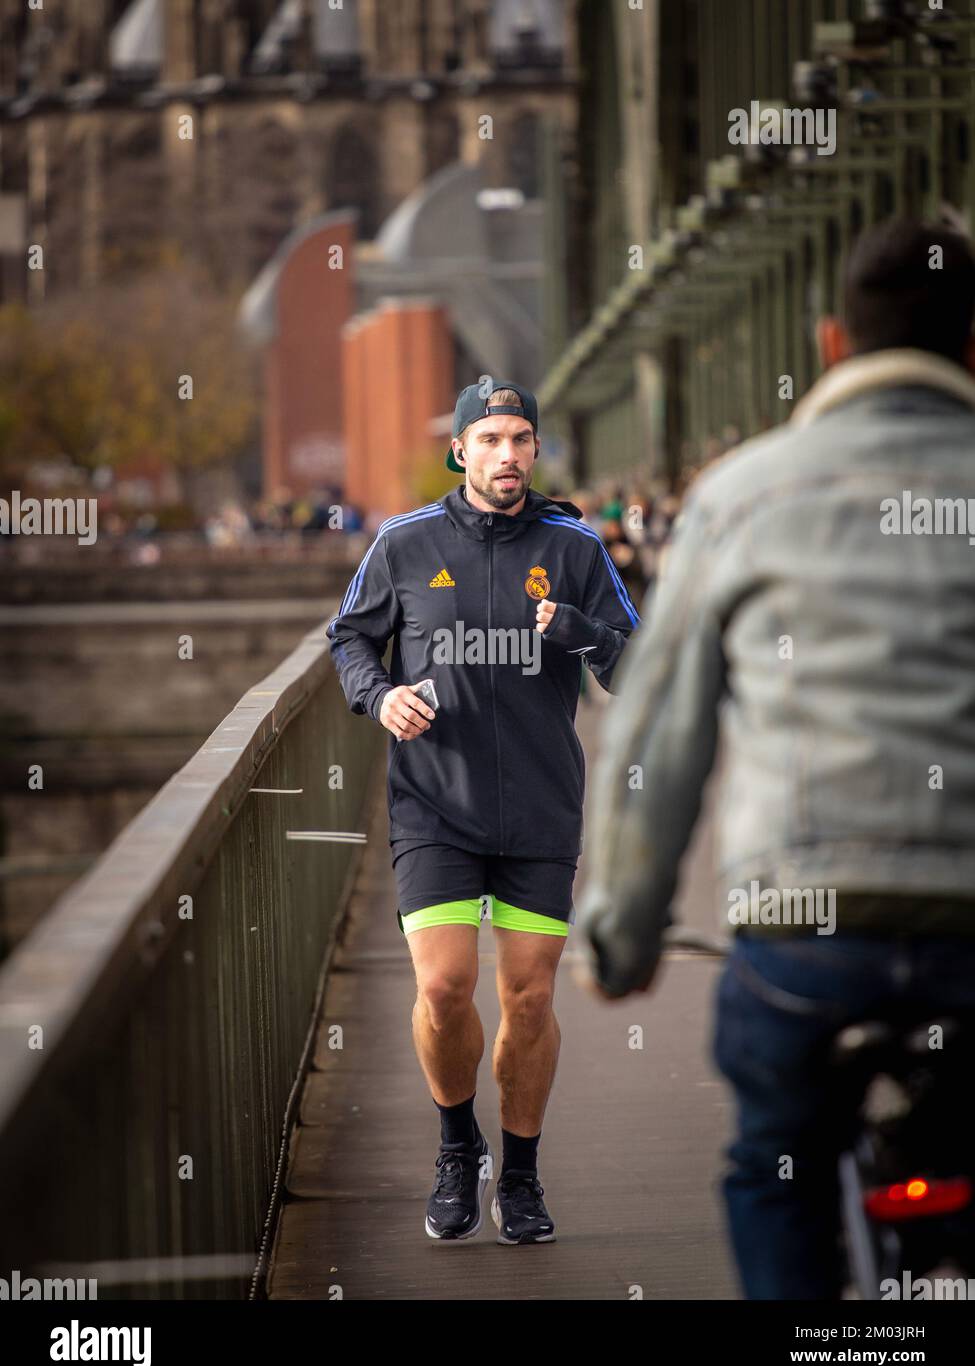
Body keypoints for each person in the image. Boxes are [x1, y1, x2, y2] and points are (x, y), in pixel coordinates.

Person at [574, 217, 975, 1298]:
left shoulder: (741, 497)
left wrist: (624, 932)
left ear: (834, 342)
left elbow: (656, 741)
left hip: (808, 935)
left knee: (775, 1165)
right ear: (974, 348)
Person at [327, 381, 640, 1243]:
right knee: (442, 985)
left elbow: (638, 661)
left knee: (530, 1001)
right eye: (491, 438)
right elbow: (349, 635)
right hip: (434, 802)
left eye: (522, 439)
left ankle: (524, 1177)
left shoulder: (573, 545)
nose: (508, 454)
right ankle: (456, 1144)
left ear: (535, 451)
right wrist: (378, 695)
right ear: (459, 451)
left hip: (541, 807)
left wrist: (583, 632)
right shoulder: (403, 543)